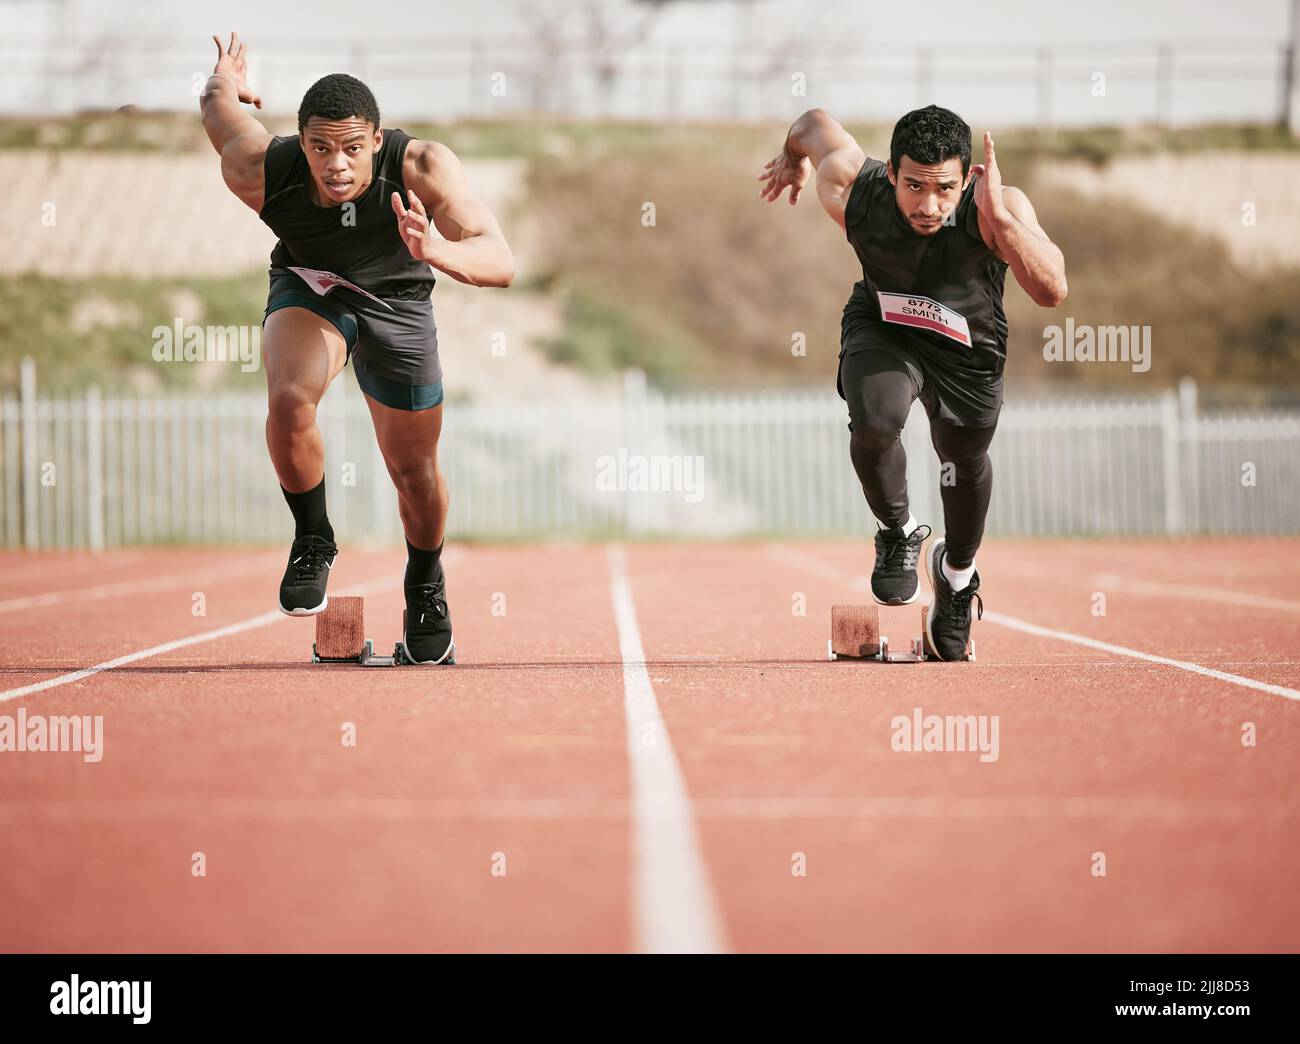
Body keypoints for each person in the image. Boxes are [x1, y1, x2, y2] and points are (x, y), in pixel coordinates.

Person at [200, 33, 514, 665]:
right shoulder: (260, 168)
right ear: (301, 143)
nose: (335, 165)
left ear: (375, 140)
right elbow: (216, 105)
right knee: (289, 398)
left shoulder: (422, 166)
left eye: (349, 148)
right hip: (313, 287)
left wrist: (436, 252)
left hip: (400, 297)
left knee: (413, 472)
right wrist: (226, 79)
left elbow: (501, 260)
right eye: (319, 148)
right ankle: (314, 538)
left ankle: (425, 582)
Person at [759, 105, 1067, 659]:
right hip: (886, 327)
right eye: (914, 187)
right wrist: (791, 157)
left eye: (945, 189)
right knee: (875, 422)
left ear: (968, 177)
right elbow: (811, 124)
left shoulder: (999, 206)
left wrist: (1001, 222)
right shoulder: (854, 186)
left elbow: (1052, 291)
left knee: (963, 460)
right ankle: (898, 532)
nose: (929, 206)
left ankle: (957, 576)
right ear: (892, 172)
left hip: (967, 351)